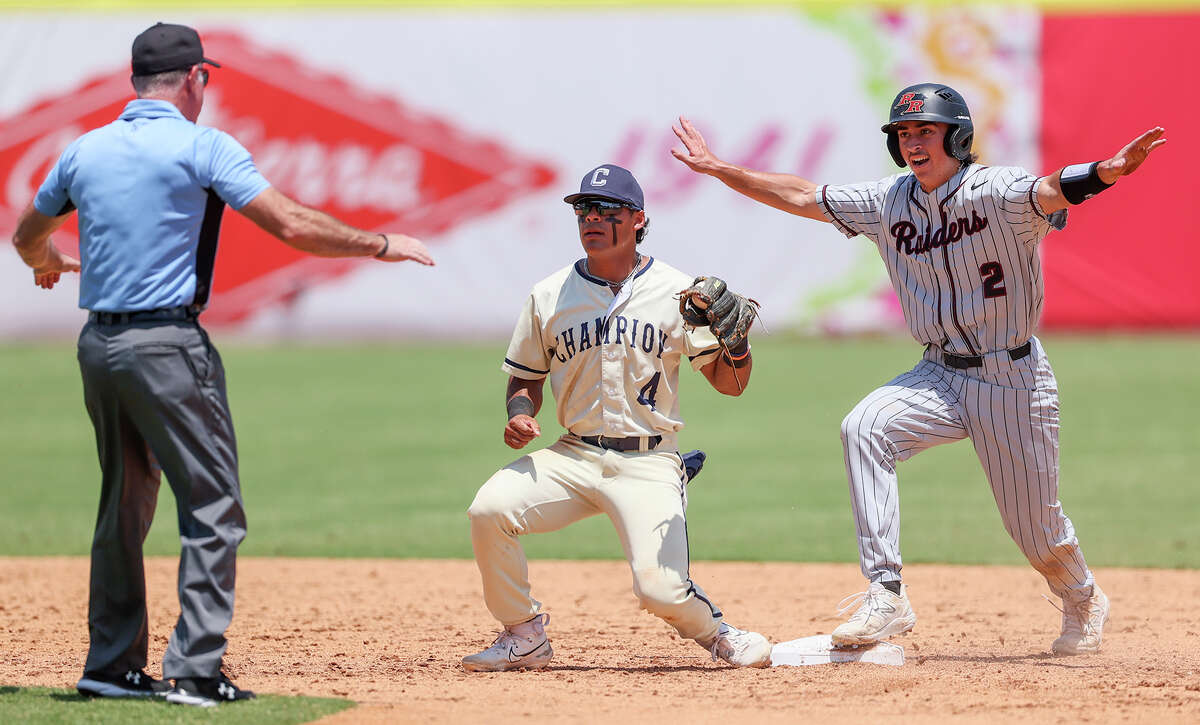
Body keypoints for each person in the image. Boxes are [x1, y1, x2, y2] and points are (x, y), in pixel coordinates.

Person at [11, 22, 434, 706]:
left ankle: (112, 664)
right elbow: (291, 223)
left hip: (98, 345)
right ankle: (194, 669)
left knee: (123, 502)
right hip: (166, 344)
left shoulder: (83, 150)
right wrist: (380, 243)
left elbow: (27, 234)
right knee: (212, 504)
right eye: (203, 79)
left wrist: (47, 262)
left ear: (135, 81)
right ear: (192, 80)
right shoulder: (202, 143)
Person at [671, 83, 1166, 655]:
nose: (911, 143)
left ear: (956, 135)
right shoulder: (888, 201)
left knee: (1036, 531)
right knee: (865, 426)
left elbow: (1054, 189)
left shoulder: (997, 191)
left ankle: (1081, 596)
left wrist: (1108, 169)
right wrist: (717, 168)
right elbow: (804, 195)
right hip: (939, 373)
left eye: (924, 130)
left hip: (1012, 378)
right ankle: (886, 594)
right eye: (903, 133)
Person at [462, 163, 772, 672]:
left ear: (638, 220)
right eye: (584, 209)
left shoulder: (678, 291)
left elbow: (730, 383)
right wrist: (519, 413)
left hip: (648, 461)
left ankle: (719, 635)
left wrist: (736, 344)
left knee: (658, 591)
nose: (592, 218)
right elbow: (525, 377)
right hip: (574, 453)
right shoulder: (549, 294)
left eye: (607, 210)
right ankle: (524, 634)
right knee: (489, 509)